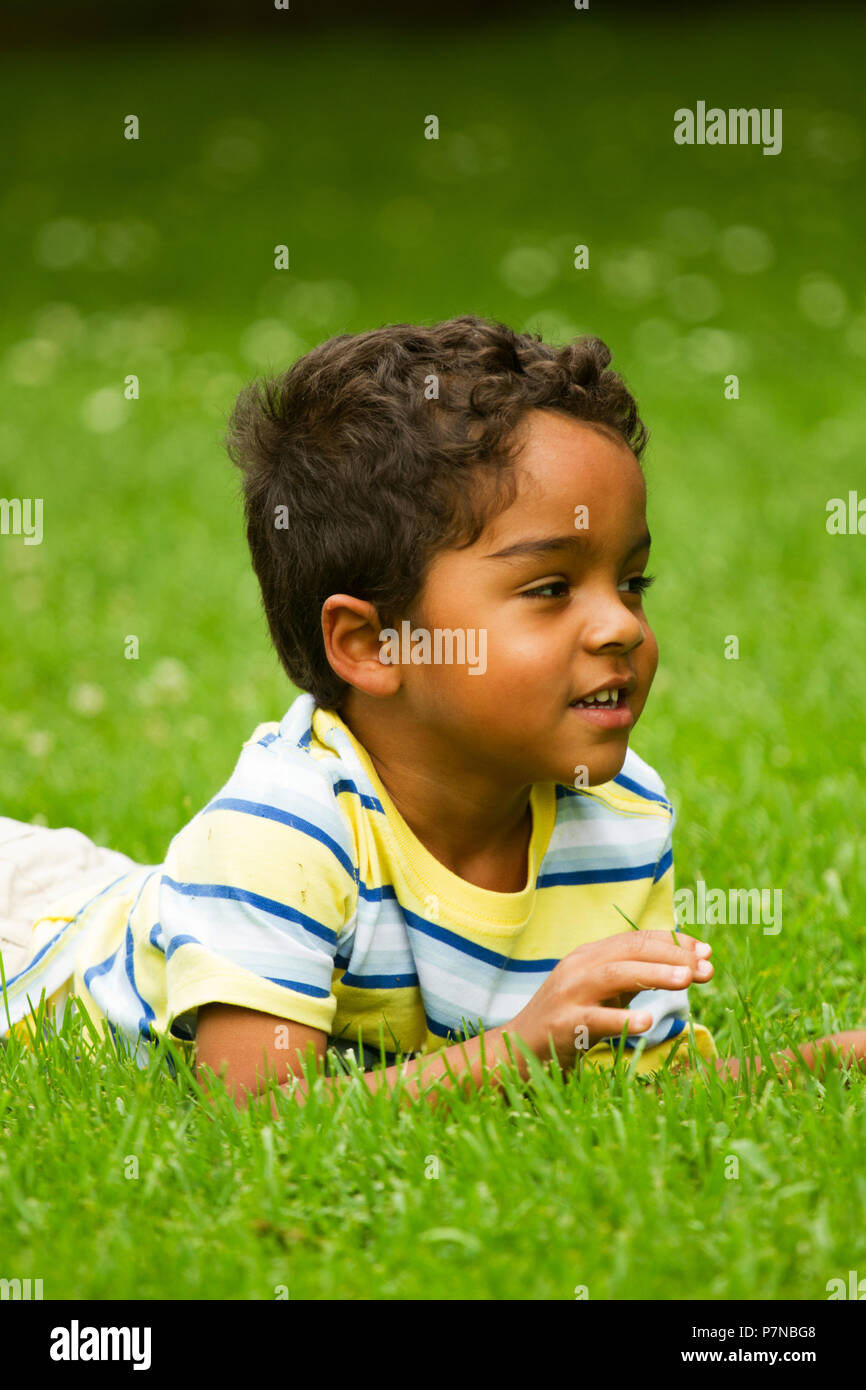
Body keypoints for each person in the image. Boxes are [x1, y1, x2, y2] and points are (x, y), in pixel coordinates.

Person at [2, 315, 864, 1111]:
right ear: (375, 646)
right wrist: (517, 1049)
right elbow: (255, 1114)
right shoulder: (279, 835)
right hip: (35, 944)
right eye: (551, 587)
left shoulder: (621, 817)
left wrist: (833, 1056)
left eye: (631, 581)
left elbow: (650, 1091)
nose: (622, 626)